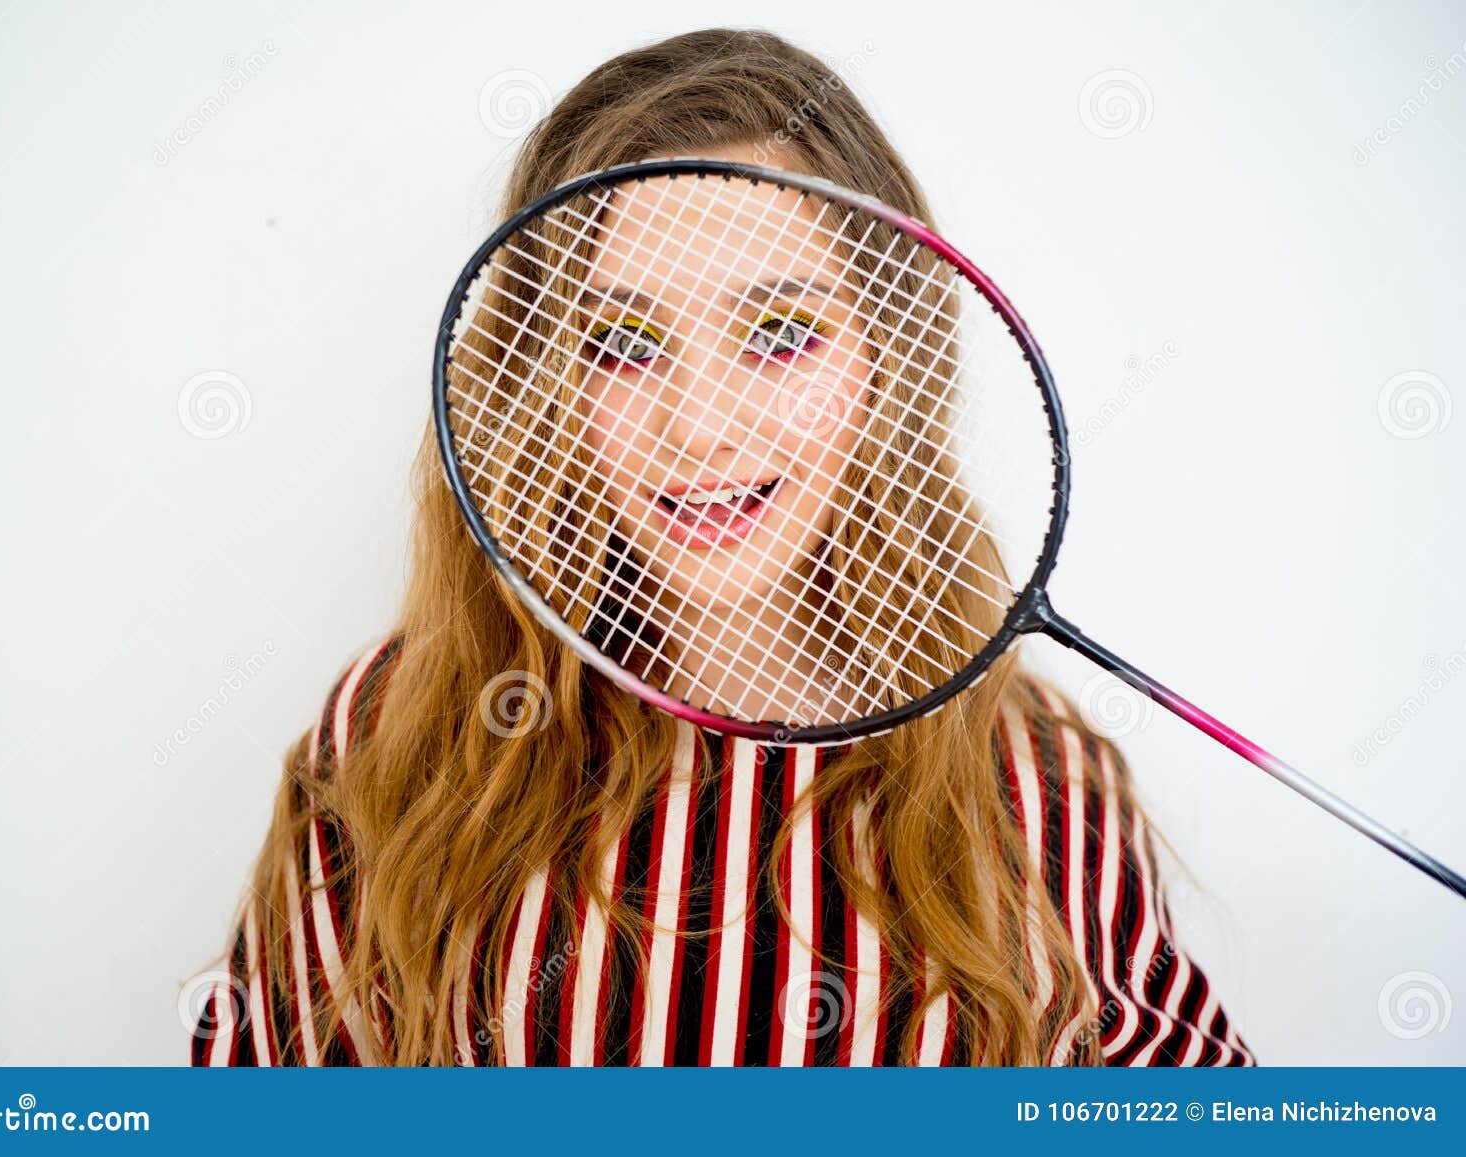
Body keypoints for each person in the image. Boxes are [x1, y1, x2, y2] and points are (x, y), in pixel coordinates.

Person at [189, 27, 1252, 1068]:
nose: (700, 424)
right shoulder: (396, 737)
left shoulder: (1038, 779)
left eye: (780, 332)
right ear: (540, 382)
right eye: (620, 345)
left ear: (885, 359)